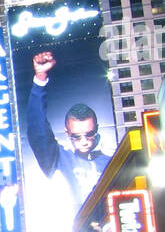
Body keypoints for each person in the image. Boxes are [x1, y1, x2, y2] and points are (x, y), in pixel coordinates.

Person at [25, 50, 111, 211]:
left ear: (97, 130)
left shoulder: (111, 162)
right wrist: (40, 80)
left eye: (89, 134)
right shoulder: (58, 159)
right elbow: (37, 128)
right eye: (77, 137)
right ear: (67, 134)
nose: (84, 141)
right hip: (76, 231)